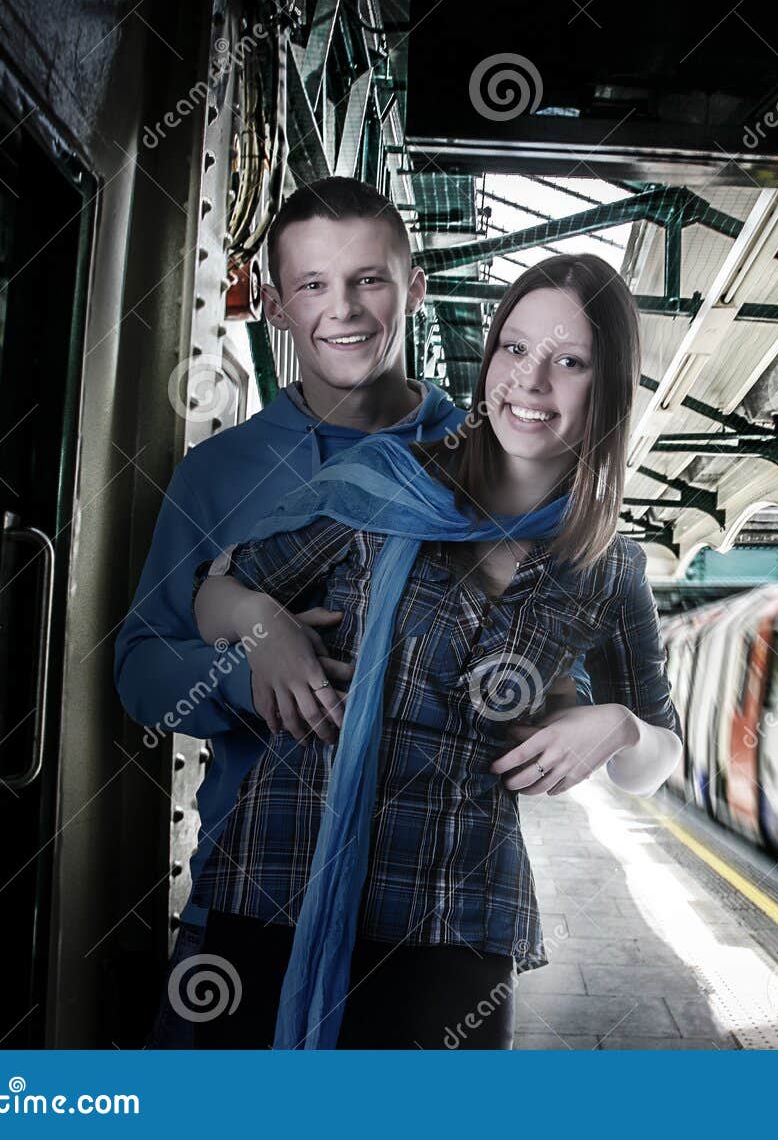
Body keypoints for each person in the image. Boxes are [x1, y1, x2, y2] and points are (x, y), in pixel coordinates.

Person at [114, 177, 588, 1047]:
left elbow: (563, 683)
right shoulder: (221, 474)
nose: (345, 311)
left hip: (440, 910)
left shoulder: (495, 462)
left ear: (413, 289)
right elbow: (141, 671)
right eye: (313, 286)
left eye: (369, 280)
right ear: (277, 307)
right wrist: (254, 655)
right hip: (262, 886)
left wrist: (578, 717)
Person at [189, 252, 684, 1049]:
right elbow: (211, 593)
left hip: (457, 907)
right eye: (515, 349)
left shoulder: (609, 567)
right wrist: (262, 624)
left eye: (569, 362)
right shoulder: (385, 484)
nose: (529, 381)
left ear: (608, 392)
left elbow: (659, 759)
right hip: (286, 870)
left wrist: (621, 725)